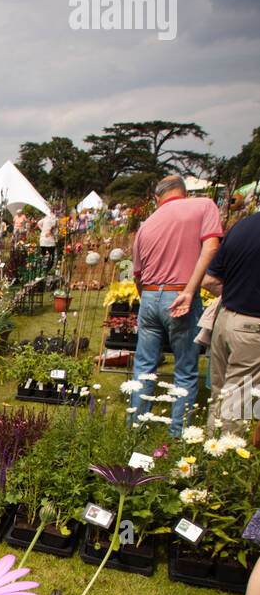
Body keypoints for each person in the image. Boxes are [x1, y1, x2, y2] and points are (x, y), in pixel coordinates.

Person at [128, 175, 223, 436]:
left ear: (158, 198)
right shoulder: (204, 206)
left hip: (149, 296)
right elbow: (212, 246)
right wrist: (191, 290)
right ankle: (179, 432)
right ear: (183, 191)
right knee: (185, 368)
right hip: (180, 294)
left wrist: (147, 299)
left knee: (144, 367)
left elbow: (137, 274)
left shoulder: (146, 225)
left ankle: (136, 428)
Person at [179, 211, 260, 428]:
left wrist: (236, 293)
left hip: (224, 321)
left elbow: (209, 279)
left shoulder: (241, 226)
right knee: (239, 403)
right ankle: (226, 456)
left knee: (220, 395)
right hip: (251, 327)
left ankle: (208, 453)